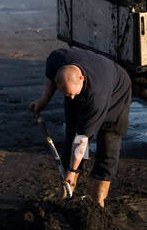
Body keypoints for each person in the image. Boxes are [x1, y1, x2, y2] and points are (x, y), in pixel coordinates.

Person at [29, 47, 133, 206]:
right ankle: (66, 194)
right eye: (66, 94)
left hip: (116, 96)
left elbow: (82, 139)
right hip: (86, 88)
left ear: (82, 78)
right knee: (71, 139)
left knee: (107, 147)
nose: (70, 97)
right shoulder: (56, 59)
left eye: (72, 94)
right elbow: (51, 79)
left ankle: (97, 202)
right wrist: (43, 101)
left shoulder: (96, 96)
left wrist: (71, 170)